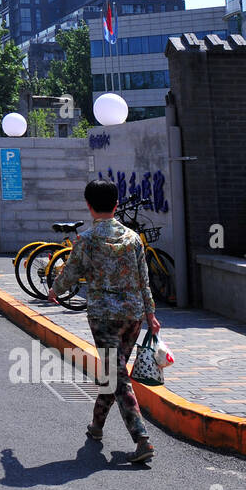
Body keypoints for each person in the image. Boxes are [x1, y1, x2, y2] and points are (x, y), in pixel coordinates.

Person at [49, 179, 161, 464]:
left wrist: (55, 290)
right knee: (115, 371)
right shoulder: (133, 238)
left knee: (117, 375)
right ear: (115, 204)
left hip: (103, 317)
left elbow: (72, 272)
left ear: (89, 205)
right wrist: (150, 314)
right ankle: (97, 426)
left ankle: (141, 438)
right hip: (133, 314)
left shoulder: (86, 239)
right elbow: (143, 280)